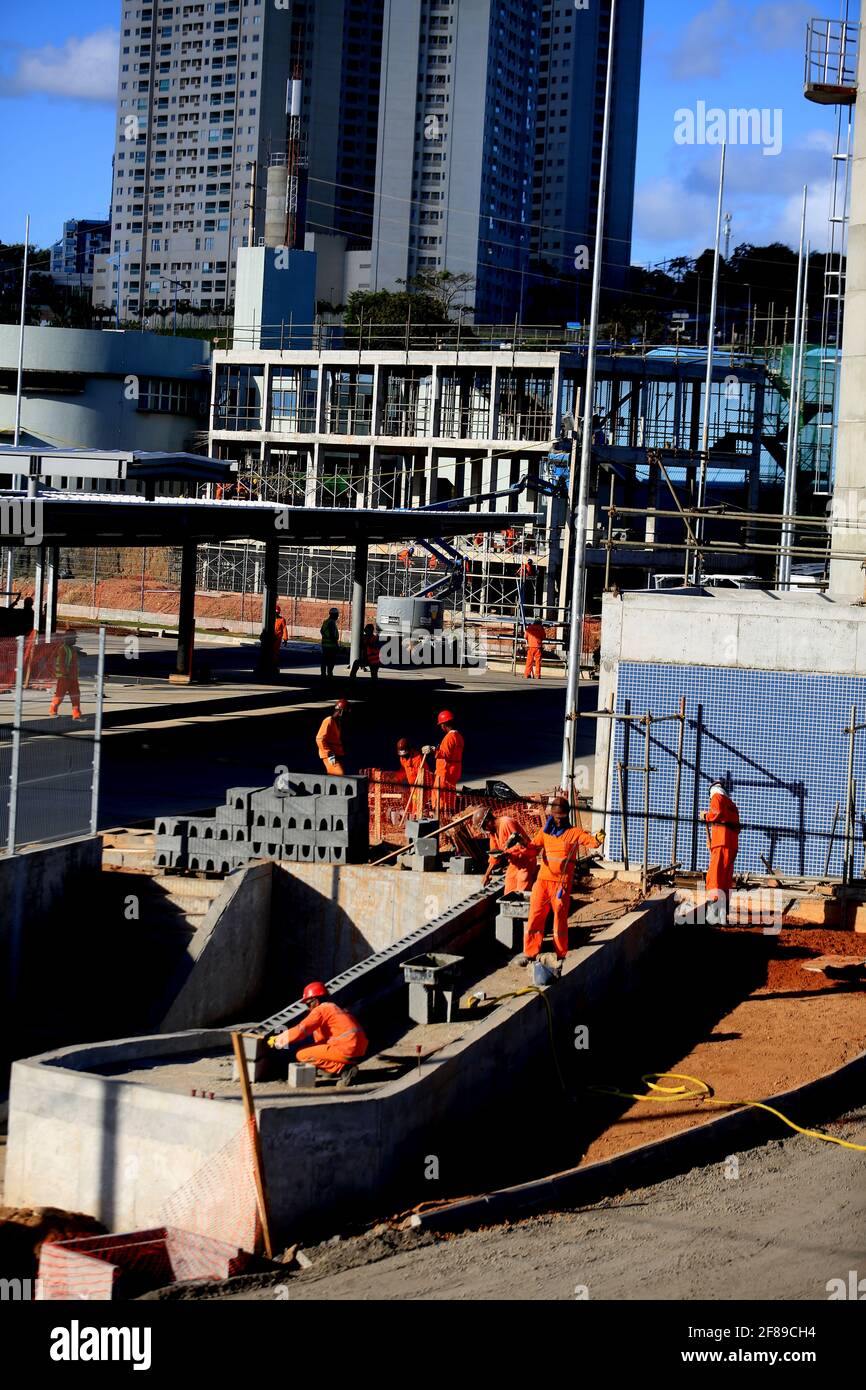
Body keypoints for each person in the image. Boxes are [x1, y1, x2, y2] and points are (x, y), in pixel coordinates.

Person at [520, 795, 605, 966]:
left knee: (559, 919)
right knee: (535, 916)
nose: (557, 821)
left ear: (566, 816)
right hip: (542, 882)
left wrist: (597, 839)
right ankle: (530, 952)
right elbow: (532, 849)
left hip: (561, 885)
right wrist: (521, 844)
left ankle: (560, 953)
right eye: (555, 817)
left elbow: (591, 842)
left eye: (560, 817)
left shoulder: (574, 833)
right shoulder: (545, 833)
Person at [267, 981, 368, 1087]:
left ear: (315, 1001)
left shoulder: (321, 1010)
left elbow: (301, 1030)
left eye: (308, 1004)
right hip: (358, 1049)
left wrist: (279, 1039)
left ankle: (345, 1070)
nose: (308, 1008)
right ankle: (331, 1070)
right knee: (315, 1041)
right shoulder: (333, 1008)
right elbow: (321, 1040)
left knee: (302, 1054)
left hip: (347, 1049)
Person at [700, 780, 741, 923]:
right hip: (731, 845)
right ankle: (723, 916)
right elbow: (736, 826)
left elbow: (716, 812)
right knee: (726, 878)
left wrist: (706, 816)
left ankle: (712, 915)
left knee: (714, 877)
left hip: (720, 843)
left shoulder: (717, 797)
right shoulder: (733, 805)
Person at [473, 807, 537, 897]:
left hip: (526, 861)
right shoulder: (493, 833)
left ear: (488, 821)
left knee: (521, 892)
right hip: (514, 864)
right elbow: (493, 856)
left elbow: (522, 844)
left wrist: (507, 852)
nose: (486, 829)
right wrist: (487, 875)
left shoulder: (507, 823)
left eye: (484, 827)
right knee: (508, 892)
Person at [424, 710, 464, 817]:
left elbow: (444, 754)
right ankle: (449, 816)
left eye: (441, 724)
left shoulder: (449, 738)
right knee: (449, 795)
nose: (441, 727)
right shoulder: (459, 737)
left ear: (444, 724)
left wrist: (432, 750)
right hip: (454, 771)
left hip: (444, 772)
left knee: (439, 796)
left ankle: (439, 818)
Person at [49, 629, 82, 720]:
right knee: (59, 696)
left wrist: (81, 653)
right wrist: (64, 673)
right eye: (74, 638)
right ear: (68, 639)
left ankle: (76, 714)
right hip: (65, 677)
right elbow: (61, 663)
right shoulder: (63, 649)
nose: (75, 640)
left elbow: (73, 654)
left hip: (73, 677)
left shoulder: (71, 648)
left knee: (75, 695)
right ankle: (52, 710)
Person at [316, 698, 348, 775]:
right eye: (346, 712)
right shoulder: (328, 721)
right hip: (329, 756)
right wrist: (329, 754)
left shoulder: (338, 724)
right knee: (340, 774)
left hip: (336, 756)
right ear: (341, 712)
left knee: (335, 777)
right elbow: (319, 739)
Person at [320, 606, 341, 682]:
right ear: (334, 615)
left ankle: (323, 674)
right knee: (331, 661)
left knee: (324, 661)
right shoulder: (331, 623)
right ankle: (329, 675)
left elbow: (321, 631)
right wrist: (336, 644)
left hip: (324, 645)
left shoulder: (326, 621)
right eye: (337, 614)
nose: (337, 616)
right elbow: (332, 635)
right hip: (331, 646)